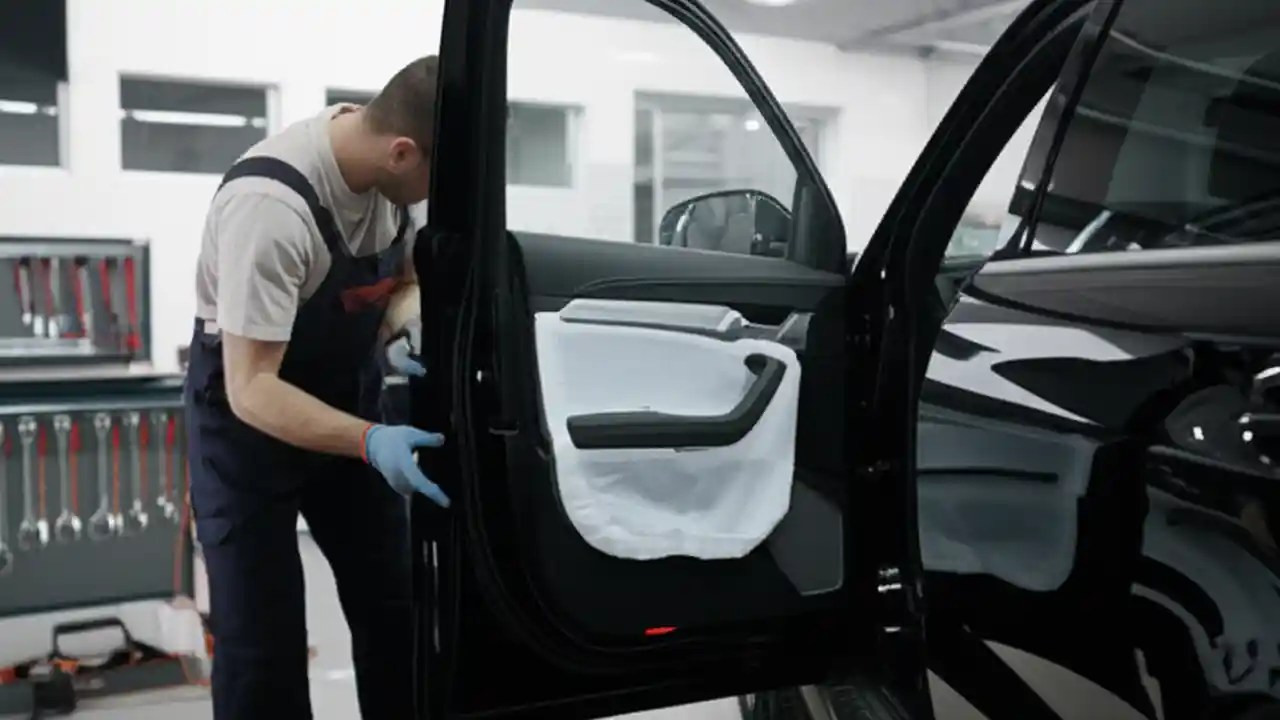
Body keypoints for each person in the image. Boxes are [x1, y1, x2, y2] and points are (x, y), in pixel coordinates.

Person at [184, 55, 446, 719]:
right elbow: (252, 388)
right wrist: (368, 439)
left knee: (398, 609)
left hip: (347, 406)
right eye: (432, 177)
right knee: (261, 647)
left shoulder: (393, 190)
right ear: (402, 151)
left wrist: (406, 323)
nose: (431, 195)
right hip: (245, 432)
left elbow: (406, 278)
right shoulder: (271, 208)